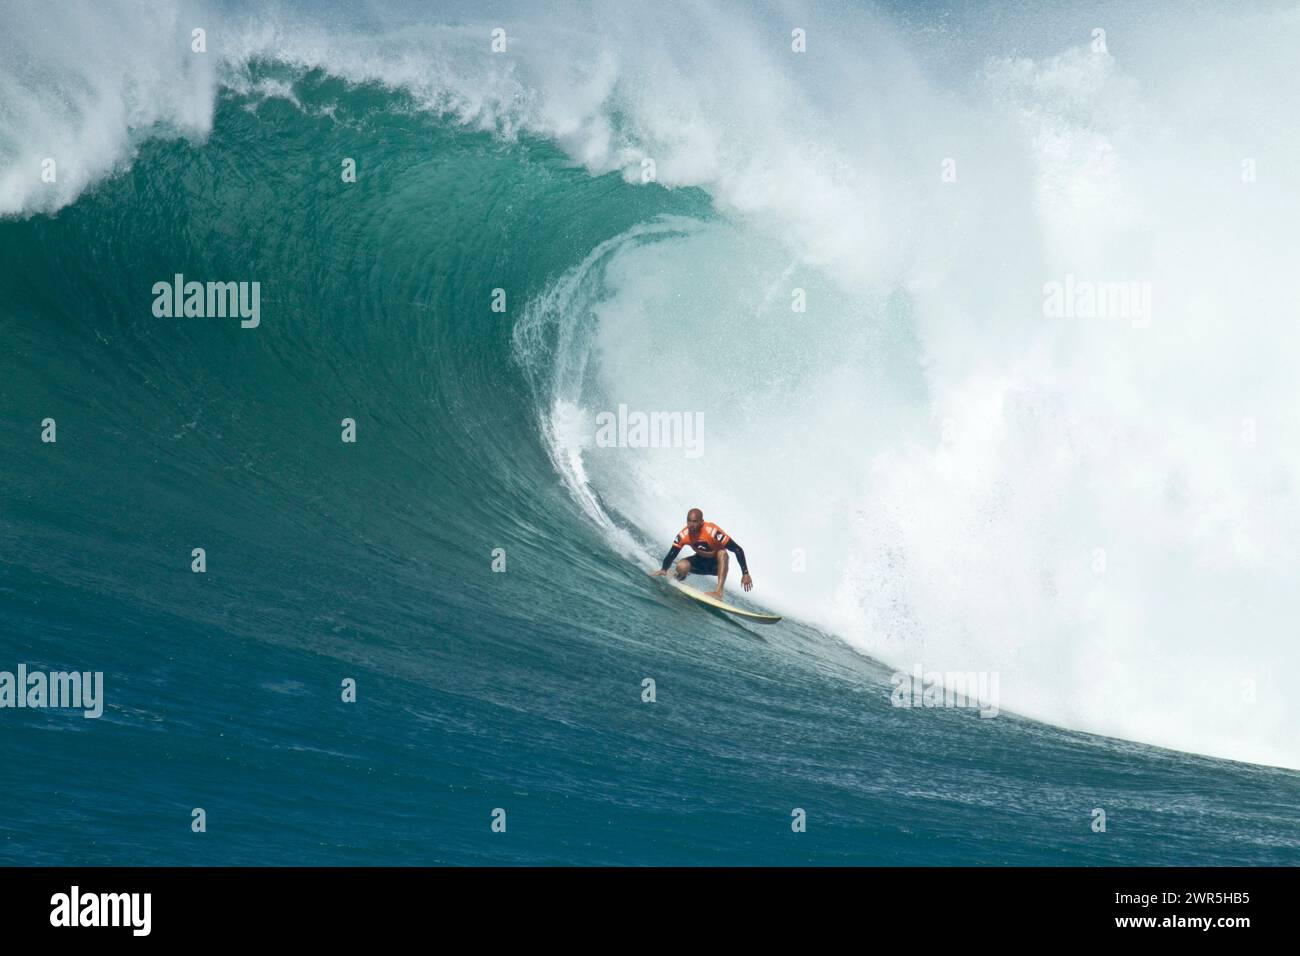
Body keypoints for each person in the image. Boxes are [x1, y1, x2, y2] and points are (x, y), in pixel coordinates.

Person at [650, 507, 752, 598]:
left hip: (716, 567)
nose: (691, 525)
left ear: (701, 522)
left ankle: (718, 592)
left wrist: (745, 573)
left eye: (694, 521)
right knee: (681, 566)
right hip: (699, 563)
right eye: (689, 521)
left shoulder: (712, 531)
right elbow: (672, 552)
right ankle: (679, 578)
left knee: (722, 553)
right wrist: (664, 569)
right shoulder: (684, 535)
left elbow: (737, 549)